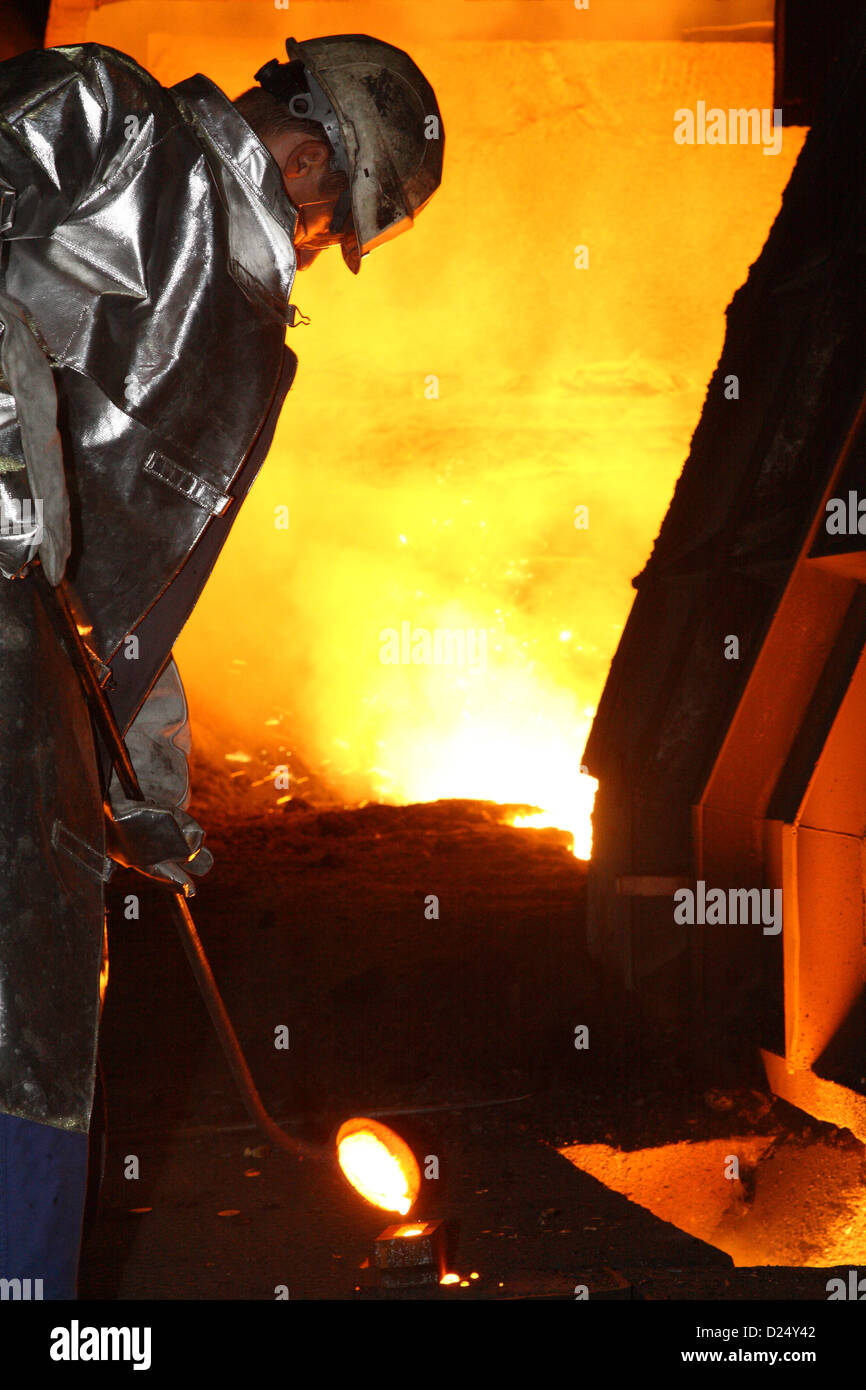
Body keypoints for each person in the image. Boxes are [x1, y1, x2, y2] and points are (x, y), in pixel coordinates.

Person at [0, 32, 443, 1299]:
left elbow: (139, 593)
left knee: (33, 1058)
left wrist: (138, 770)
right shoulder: (109, 118)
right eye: (331, 231)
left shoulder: (257, 358)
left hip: (30, 724)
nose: (319, 261)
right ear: (307, 163)